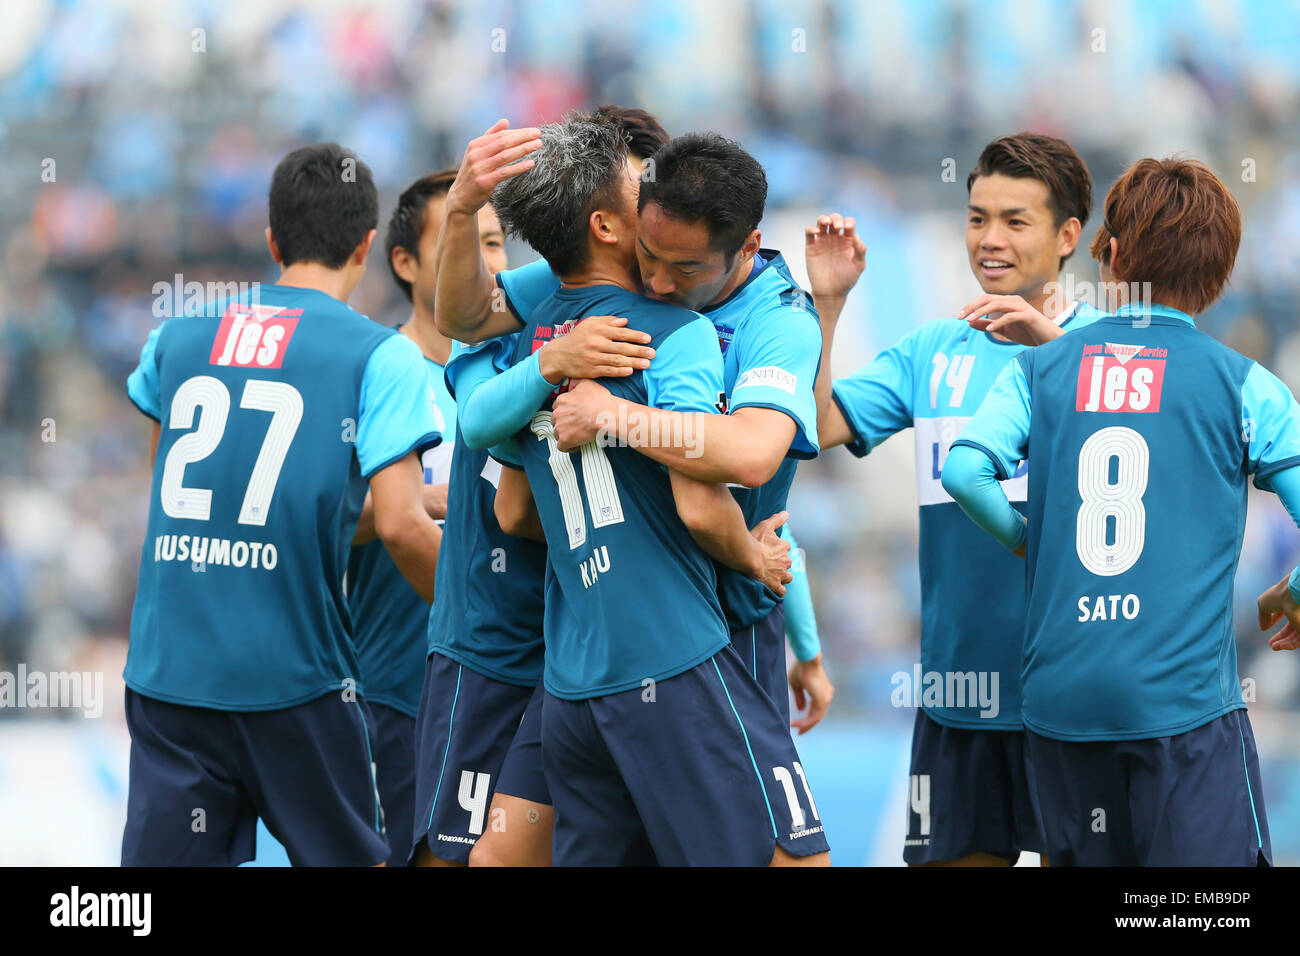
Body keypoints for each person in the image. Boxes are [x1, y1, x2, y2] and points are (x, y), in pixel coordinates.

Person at [459, 110, 829, 865]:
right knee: (793, 859)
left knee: (507, 857)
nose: (659, 281)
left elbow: (511, 500)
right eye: (649, 253)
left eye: (683, 269)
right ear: (616, 226)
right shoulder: (671, 330)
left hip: (573, 666)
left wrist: (581, 397)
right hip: (683, 644)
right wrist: (755, 564)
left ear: (745, 248)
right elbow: (706, 496)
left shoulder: (536, 333)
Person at [943, 156, 1290, 866]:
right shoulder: (1245, 385)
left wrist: (1027, 541)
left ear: (1113, 255)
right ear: (1220, 274)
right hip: (1181, 712)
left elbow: (964, 471)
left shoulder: (1039, 368)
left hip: (1062, 708)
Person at [121, 144, 442, 866]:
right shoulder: (377, 355)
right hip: (295, 681)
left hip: (171, 677)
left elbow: (184, 498)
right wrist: (486, 610)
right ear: (366, 246)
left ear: (272, 240)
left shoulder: (177, 339)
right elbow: (400, 525)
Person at [811, 133, 1103, 865]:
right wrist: (827, 305)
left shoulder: (1108, 350)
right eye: (977, 218)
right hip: (960, 694)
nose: (990, 239)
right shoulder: (933, 348)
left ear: (1069, 235)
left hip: (1080, 692)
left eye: (1015, 219)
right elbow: (814, 426)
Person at [414, 107, 674, 867]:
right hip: (500, 641)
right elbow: (511, 502)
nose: (648, 205)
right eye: (636, 187)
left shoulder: (670, 316)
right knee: (465, 855)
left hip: (591, 656)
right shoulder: (529, 319)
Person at [345, 169, 505, 867]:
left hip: (512, 691)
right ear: (405, 263)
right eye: (465, 238)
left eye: (496, 241)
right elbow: (318, 521)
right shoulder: (373, 372)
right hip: (398, 694)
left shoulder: (522, 372)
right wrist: (403, 505)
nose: (487, 260)